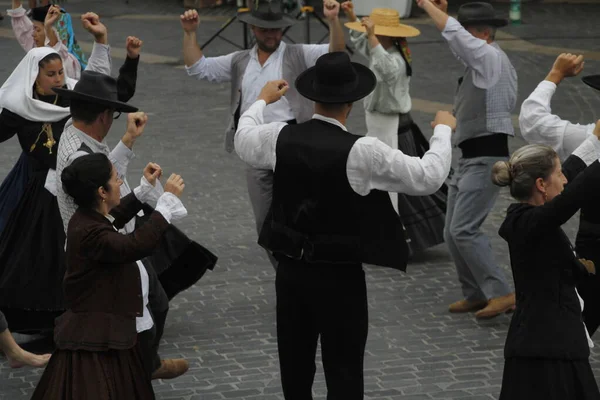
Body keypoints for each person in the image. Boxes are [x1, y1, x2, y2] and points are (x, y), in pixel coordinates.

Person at [235, 51, 454, 399]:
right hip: (340, 277)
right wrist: (443, 129)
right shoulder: (363, 151)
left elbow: (243, 139)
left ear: (312, 97)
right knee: (345, 371)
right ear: (351, 103)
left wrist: (261, 100)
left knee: (295, 369)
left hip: (291, 273)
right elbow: (427, 177)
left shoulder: (279, 138)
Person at [0, 12, 139, 334]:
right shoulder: (19, 107)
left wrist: (128, 58)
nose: (59, 79)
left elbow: (114, 94)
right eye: (51, 74)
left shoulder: (71, 99)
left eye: (61, 71)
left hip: (80, 179)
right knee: (40, 255)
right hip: (39, 188)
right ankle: (41, 317)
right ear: (35, 77)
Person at [180, 0, 346, 269]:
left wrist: (333, 20)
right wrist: (189, 33)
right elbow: (197, 68)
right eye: (265, 30)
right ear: (254, 29)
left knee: (299, 215)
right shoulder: (240, 61)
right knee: (265, 223)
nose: (272, 35)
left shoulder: (296, 54)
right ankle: (285, 273)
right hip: (255, 145)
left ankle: (307, 270)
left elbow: (336, 54)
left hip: (292, 142)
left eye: (277, 30)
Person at [54, 71, 198, 380]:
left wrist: (133, 155)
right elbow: (132, 240)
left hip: (102, 242)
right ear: (105, 115)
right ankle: (139, 368)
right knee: (136, 313)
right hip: (101, 257)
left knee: (152, 302)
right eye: (114, 114)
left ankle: (142, 364)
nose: (120, 182)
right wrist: (165, 203)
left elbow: (107, 184)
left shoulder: (74, 133)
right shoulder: (82, 165)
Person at [31, 153, 188, 400]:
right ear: (102, 192)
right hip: (97, 338)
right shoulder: (89, 232)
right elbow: (134, 246)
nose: (120, 182)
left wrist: (142, 192)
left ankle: (152, 365)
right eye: (116, 179)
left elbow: (113, 218)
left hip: (109, 328)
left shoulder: (88, 218)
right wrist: (165, 203)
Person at [416, 0, 517, 319]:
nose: (465, 44)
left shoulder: (488, 58)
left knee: (464, 229)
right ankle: (476, 292)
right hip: (472, 156)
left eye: (471, 34)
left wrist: (426, 6)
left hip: (486, 157)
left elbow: (456, 37)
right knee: (451, 231)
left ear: (485, 34)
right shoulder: (483, 61)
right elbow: (460, 45)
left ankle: (502, 293)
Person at [492, 139, 600, 400]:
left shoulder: (532, 217)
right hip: (546, 354)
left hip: (551, 345)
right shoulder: (528, 223)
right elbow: (570, 198)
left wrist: (594, 140)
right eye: (559, 174)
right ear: (541, 185)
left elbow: (569, 181)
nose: (565, 180)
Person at [343, 3, 447, 254]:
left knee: (395, 181)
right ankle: (386, 234)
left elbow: (387, 70)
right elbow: (364, 46)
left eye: (375, 33)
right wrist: (351, 17)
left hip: (393, 127)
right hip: (379, 124)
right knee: (385, 179)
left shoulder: (396, 60)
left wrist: (370, 36)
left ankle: (398, 236)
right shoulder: (384, 50)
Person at [519, 53, 600, 336]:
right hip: (593, 248)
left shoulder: (590, 137)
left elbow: (532, 121)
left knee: (578, 330)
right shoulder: (591, 138)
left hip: (594, 246)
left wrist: (555, 75)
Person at [7, 1, 81, 79]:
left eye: (37, 30)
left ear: (54, 32)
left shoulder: (66, 62)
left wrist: (48, 26)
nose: (33, 34)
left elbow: (55, 47)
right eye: (34, 29)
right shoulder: (35, 47)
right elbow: (20, 22)